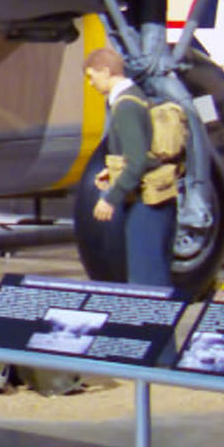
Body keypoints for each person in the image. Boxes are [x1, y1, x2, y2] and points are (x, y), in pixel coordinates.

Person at [83, 45, 178, 288]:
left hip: (146, 206)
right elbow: (140, 153)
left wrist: (110, 198)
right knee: (150, 272)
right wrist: (112, 170)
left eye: (92, 77)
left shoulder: (126, 106)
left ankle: (152, 326)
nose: (91, 84)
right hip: (150, 202)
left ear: (105, 72)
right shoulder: (134, 97)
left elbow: (136, 162)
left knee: (146, 279)